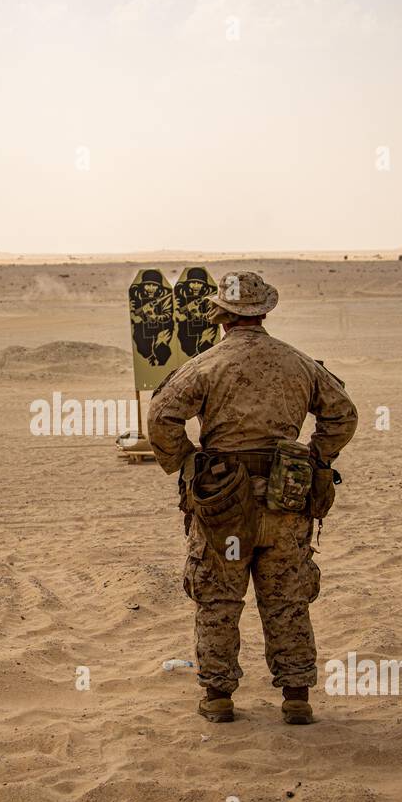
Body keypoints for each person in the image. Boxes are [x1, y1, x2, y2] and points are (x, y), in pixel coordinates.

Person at [148, 271, 358, 724]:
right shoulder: (299, 363)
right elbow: (342, 415)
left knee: (218, 598)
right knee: (287, 598)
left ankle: (219, 697)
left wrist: (188, 464)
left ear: (222, 316)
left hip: (223, 501)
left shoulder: (206, 364)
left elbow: (163, 417)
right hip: (286, 498)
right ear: (264, 311)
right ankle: (296, 697)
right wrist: (314, 457)